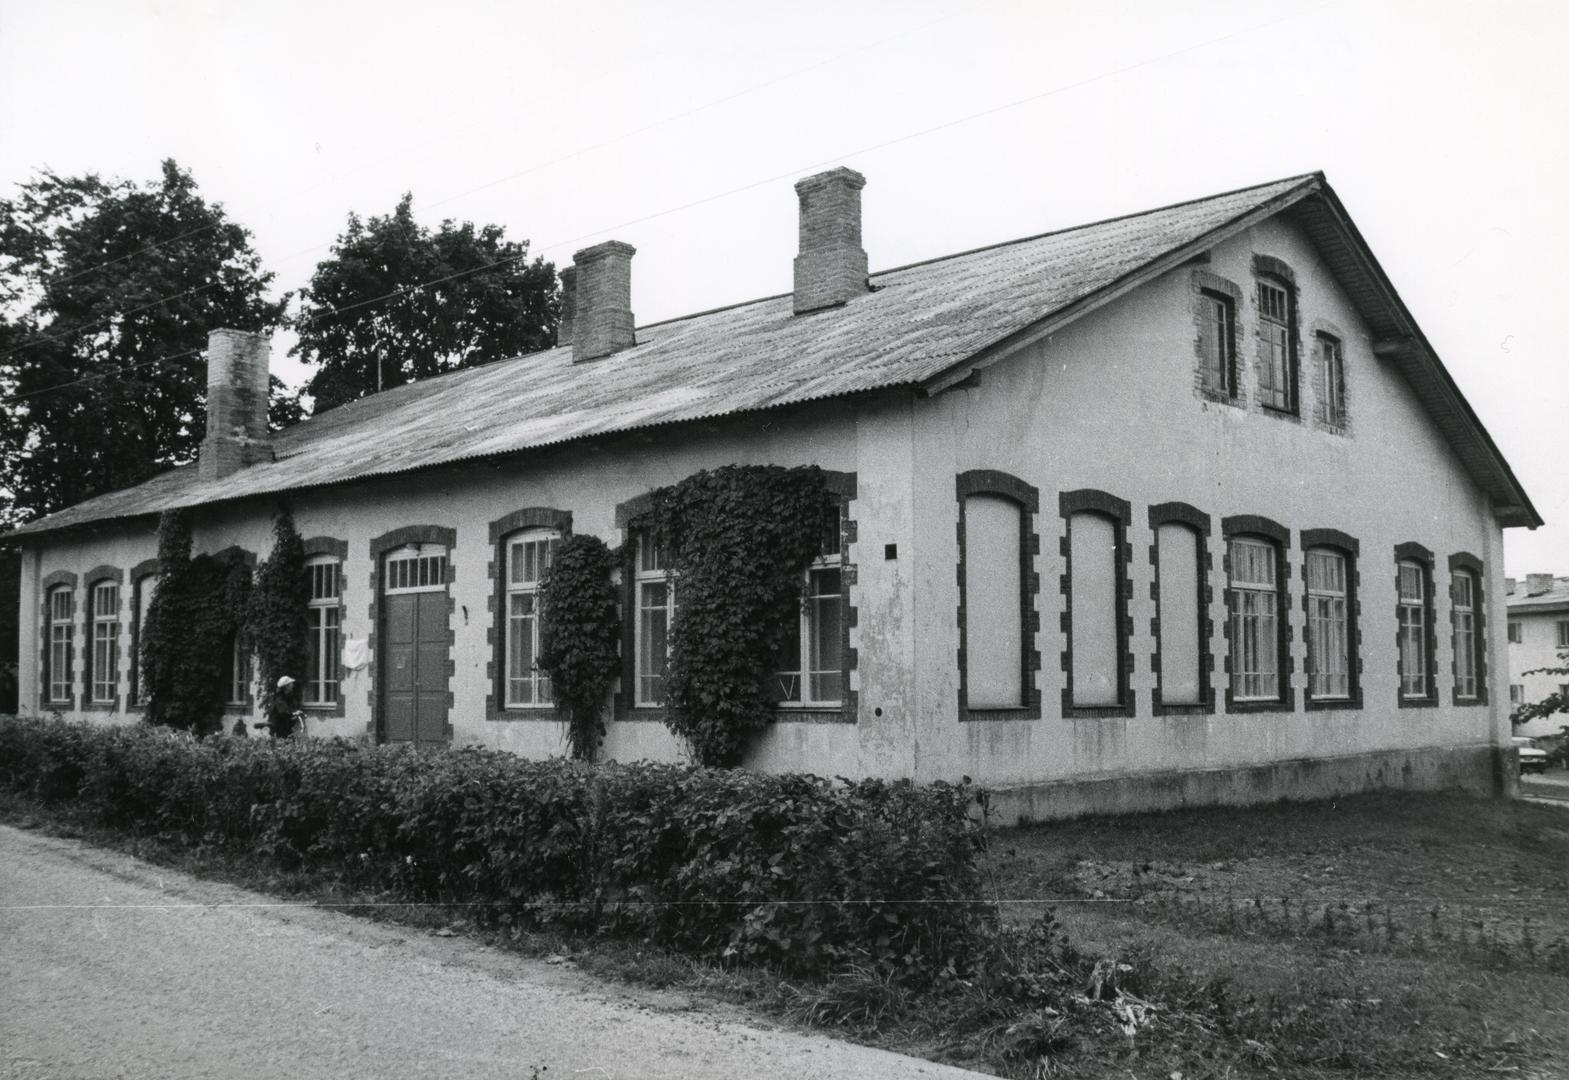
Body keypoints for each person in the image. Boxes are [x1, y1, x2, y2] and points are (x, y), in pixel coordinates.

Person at [259, 674, 303, 739]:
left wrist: (294, 714)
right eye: (291, 684)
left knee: (291, 740)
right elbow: (283, 711)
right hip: (278, 729)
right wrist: (294, 713)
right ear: (286, 686)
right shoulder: (279, 698)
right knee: (286, 742)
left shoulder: (286, 697)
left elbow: (288, 711)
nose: (293, 686)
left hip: (284, 727)